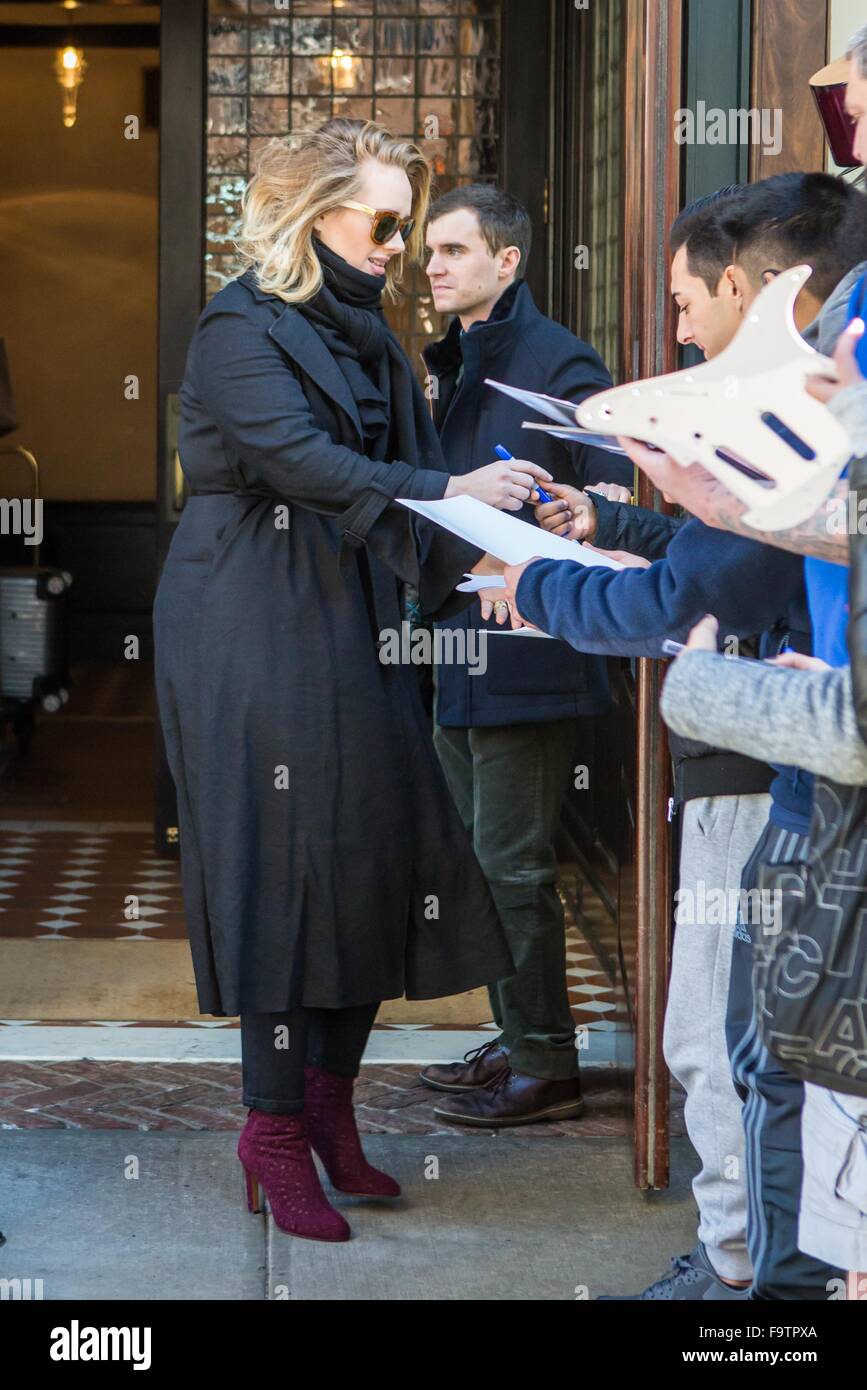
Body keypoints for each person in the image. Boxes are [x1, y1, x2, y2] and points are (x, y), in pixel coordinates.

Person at [152, 118, 536, 1244]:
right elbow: (304, 463)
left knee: (378, 848)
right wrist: (455, 491)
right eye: (381, 222)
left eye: (406, 227)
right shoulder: (239, 325)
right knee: (283, 866)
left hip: (351, 613)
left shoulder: (371, 332)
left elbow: (401, 481)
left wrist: (503, 554)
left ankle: (327, 1110)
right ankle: (270, 1128)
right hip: (249, 618)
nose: (398, 244)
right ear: (312, 214)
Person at [499, 170, 864, 1299]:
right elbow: (747, 552)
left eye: (685, 298)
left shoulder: (786, 398)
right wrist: (633, 518)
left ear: (761, 289)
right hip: (791, 778)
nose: (678, 327)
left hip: (783, 780)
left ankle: (747, 1274)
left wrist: (542, 591)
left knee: (741, 1052)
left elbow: (690, 601)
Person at [416, 184, 632, 1128]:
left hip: (529, 649)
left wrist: (560, 509)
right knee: (477, 863)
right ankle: (516, 1036)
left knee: (511, 866)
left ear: (507, 262)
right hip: (456, 647)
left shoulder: (559, 362)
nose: (432, 266)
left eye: (453, 251)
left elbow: (611, 492)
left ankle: (547, 1064)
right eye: (429, 250)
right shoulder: (448, 358)